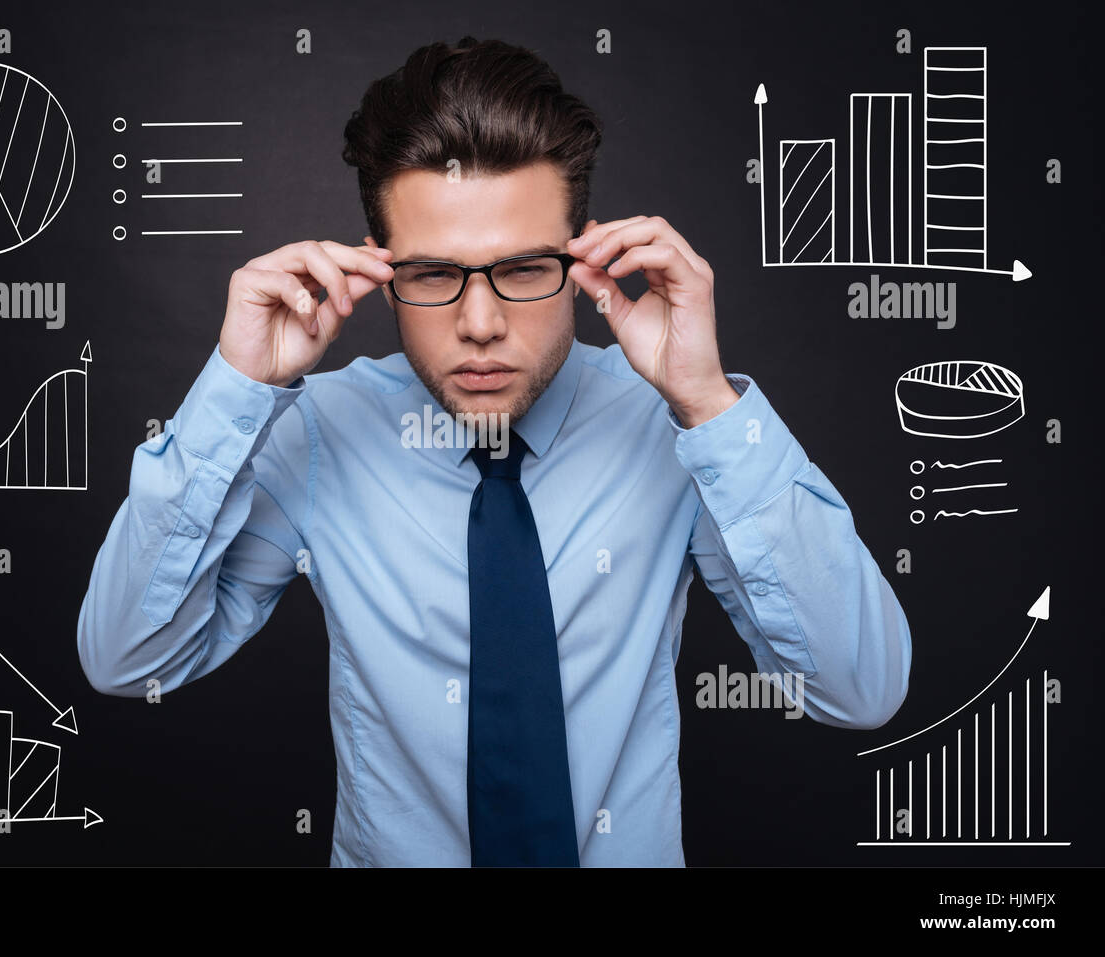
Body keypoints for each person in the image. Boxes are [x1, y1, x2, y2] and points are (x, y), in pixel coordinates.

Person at [77, 35, 911, 866]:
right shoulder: (320, 429)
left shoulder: (673, 425)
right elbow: (126, 657)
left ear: (582, 258)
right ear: (381, 273)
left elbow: (860, 688)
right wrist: (235, 387)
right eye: (435, 274)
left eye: (523, 268)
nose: (480, 324)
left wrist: (708, 402)